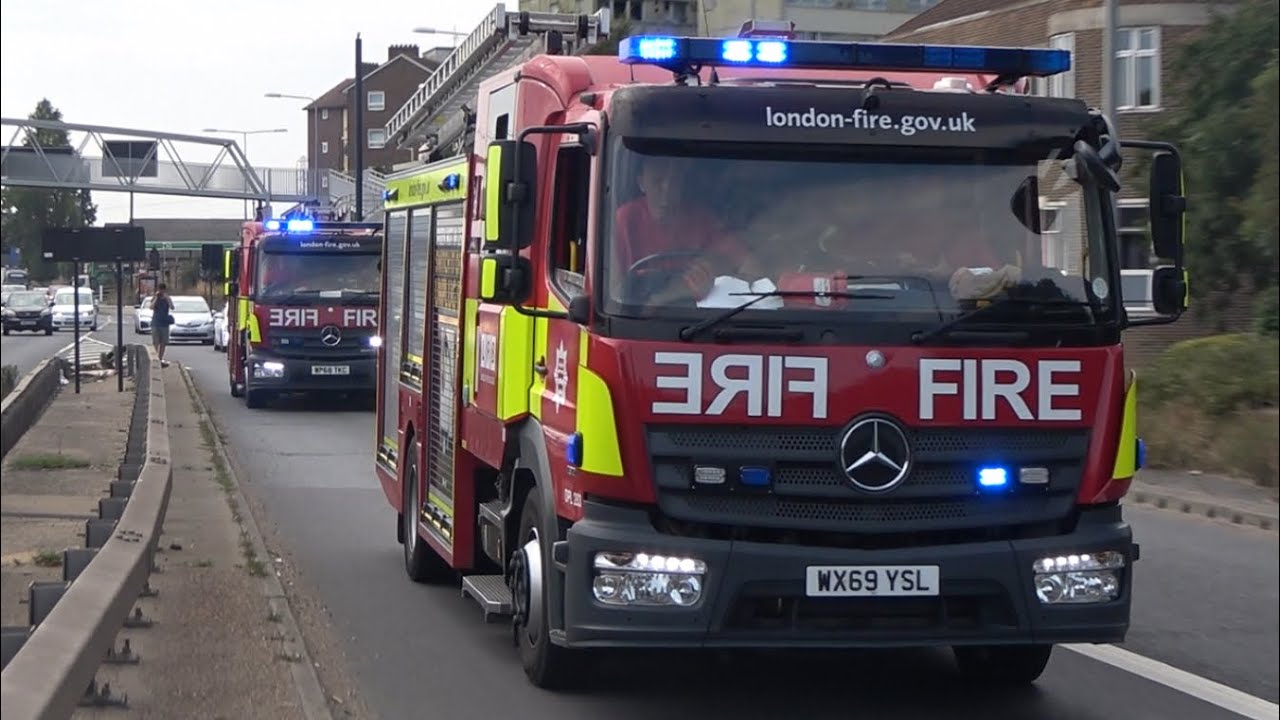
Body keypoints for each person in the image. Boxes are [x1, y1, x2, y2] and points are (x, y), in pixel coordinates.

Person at [612, 155, 757, 304]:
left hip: (695, 318)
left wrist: (719, 279)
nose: (666, 193)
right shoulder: (624, 221)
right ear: (641, 183)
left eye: (674, 182)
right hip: (638, 317)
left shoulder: (701, 219)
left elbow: (747, 261)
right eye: (657, 181)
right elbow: (612, 291)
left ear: (682, 184)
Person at [151, 283, 172, 368]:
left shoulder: (167, 298)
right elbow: (151, 307)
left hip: (164, 323)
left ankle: (160, 358)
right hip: (156, 323)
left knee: (163, 342)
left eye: (162, 290)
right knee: (156, 342)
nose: (161, 292)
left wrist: (167, 298)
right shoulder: (155, 298)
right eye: (160, 290)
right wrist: (156, 298)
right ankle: (155, 358)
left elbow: (172, 306)